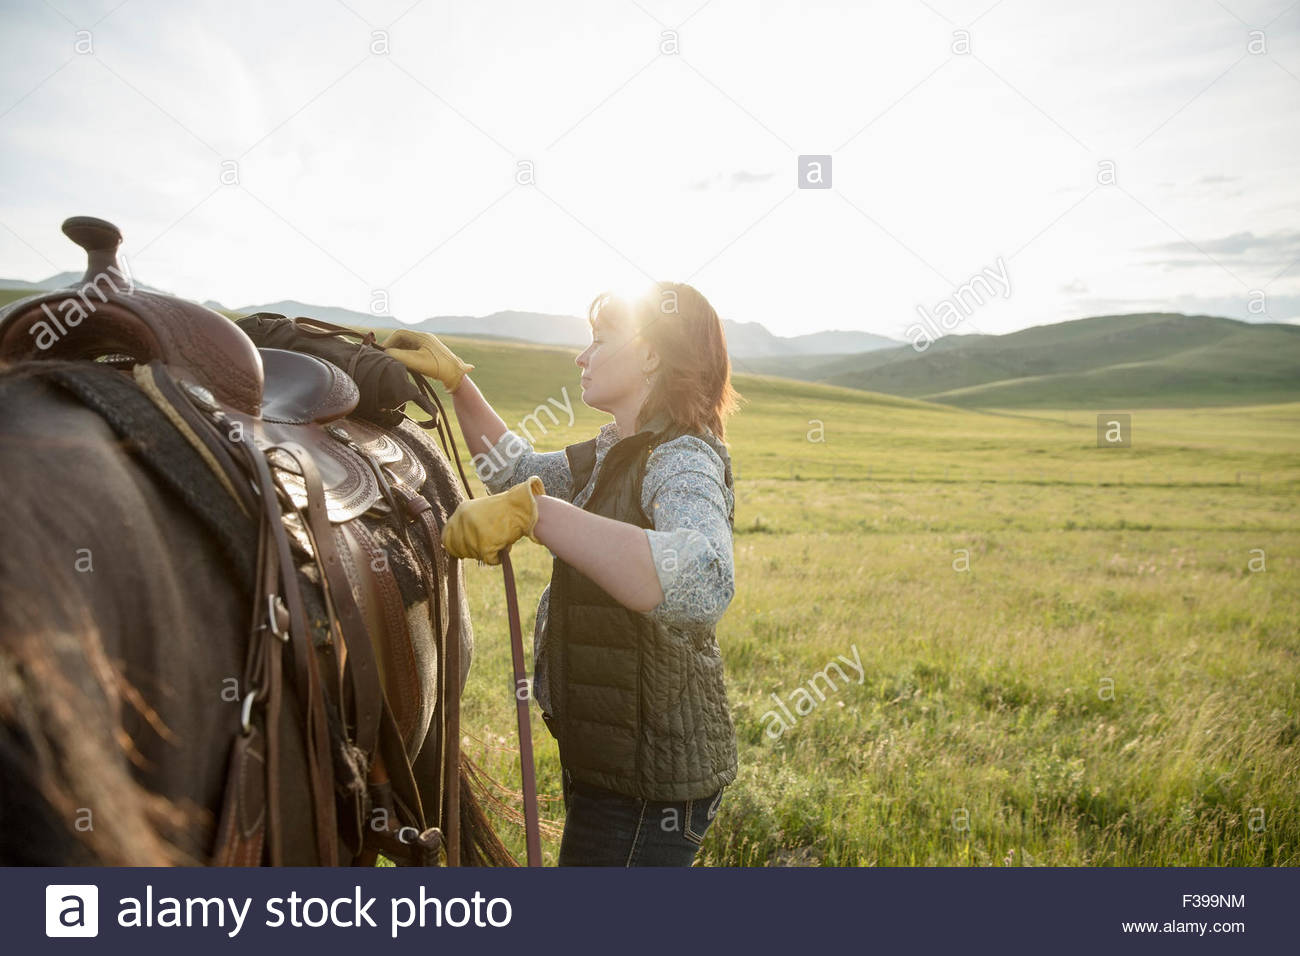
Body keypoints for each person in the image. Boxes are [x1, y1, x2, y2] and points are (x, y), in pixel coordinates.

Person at [391, 282, 741, 866]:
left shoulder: (683, 457)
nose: (581, 357)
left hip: (649, 787)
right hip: (615, 761)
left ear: (651, 353)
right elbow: (516, 471)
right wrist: (458, 383)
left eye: (600, 341)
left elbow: (701, 579)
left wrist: (541, 514)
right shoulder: (616, 450)